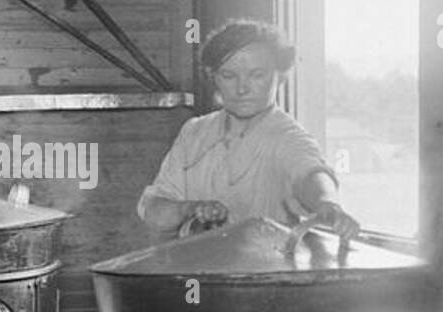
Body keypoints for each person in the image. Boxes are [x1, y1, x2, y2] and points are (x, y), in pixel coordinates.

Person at [138, 19, 359, 242]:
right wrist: (190, 209)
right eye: (229, 76)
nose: (242, 88)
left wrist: (327, 203)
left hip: (265, 273)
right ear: (213, 77)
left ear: (279, 77)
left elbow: (310, 173)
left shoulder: (287, 136)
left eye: (257, 75)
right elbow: (154, 212)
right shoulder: (194, 132)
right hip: (196, 274)